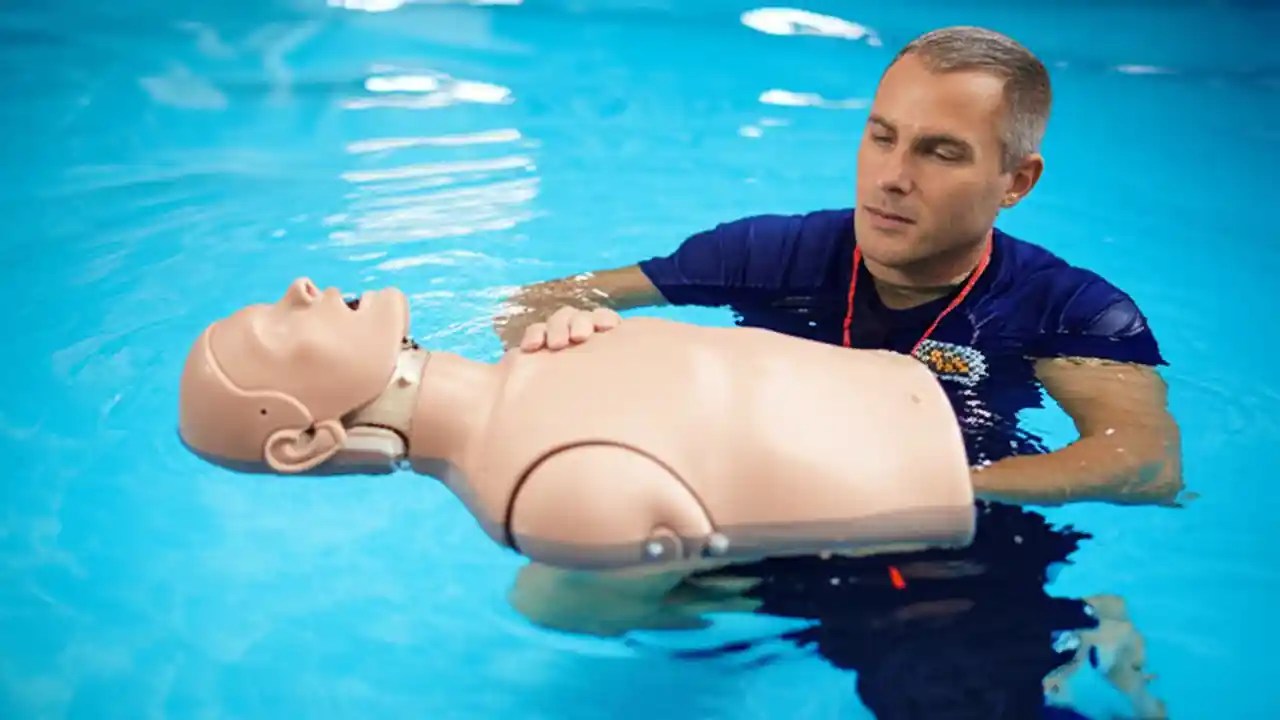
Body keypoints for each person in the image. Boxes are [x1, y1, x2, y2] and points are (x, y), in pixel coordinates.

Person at [493, 25, 1179, 719]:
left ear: (1016, 182)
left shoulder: (1067, 306)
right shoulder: (777, 254)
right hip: (778, 514)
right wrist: (565, 333)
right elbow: (538, 300)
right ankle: (811, 623)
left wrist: (927, 492)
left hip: (951, 546)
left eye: (940, 152)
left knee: (929, 697)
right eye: (882, 137)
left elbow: (1143, 464)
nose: (892, 176)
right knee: (563, 597)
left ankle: (1062, 636)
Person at [176, 276, 980, 571]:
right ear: (306, 441)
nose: (301, 286)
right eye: (272, 331)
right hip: (993, 499)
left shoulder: (542, 350)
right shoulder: (544, 500)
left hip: (951, 385)